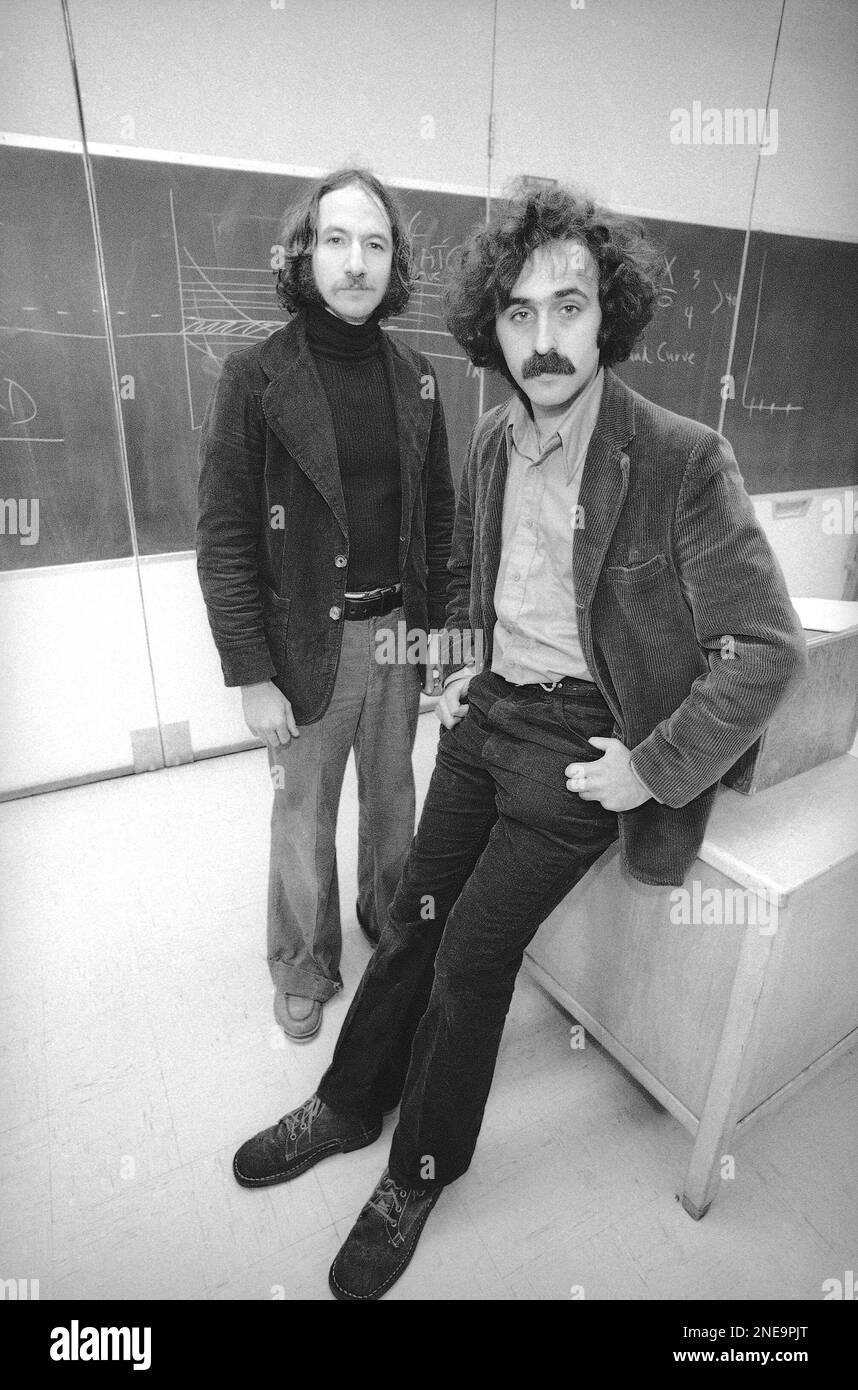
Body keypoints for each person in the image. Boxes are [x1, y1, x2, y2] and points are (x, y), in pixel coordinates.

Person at [230, 183, 807, 1299]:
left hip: (588, 743)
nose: (545, 339)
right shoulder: (495, 436)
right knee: (411, 921)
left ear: (610, 315)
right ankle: (349, 1102)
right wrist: (459, 673)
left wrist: (653, 764)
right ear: (490, 327)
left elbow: (766, 647)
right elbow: (481, 575)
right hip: (492, 709)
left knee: (471, 956)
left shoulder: (684, 458)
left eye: (570, 307)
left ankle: (418, 1170)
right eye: (520, 313)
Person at [196, 167, 454, 1040]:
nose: (356, 261)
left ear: (394, 263)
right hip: (307, 642)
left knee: (393, 805)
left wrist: (443, 647)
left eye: (375, 243)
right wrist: (251, 674)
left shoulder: (418, 378)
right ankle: (304, 962)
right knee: (302, 813)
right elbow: (225, 536)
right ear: (304, 253)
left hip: (396, 635)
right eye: (337, 240)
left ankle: (392, 933)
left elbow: (440, 526)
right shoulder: (256, 377)